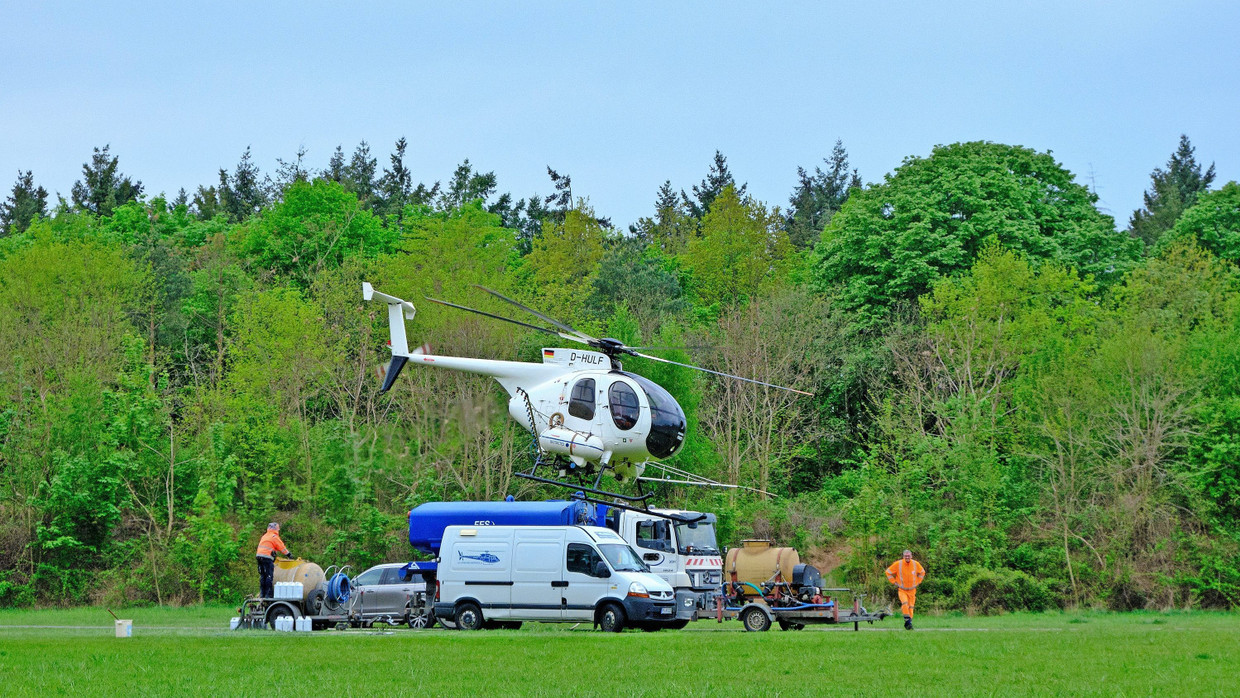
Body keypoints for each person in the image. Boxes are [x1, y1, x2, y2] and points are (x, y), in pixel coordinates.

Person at [886, 549, 925, 630]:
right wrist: (894, 582)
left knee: (911, 607)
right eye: (905, 556)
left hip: (912, 590)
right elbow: (888, 572)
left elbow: (922, 572)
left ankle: (908, 623)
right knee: (905, 603)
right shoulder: (898, 564)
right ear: (903, 556)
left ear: (911, 556)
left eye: (908, 556)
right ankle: (907, 621)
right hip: (902, 590)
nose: (907, 557)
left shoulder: (915, 564)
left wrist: (918, 582)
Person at [255, 522, 293, 598]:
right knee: (269, 576)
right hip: (267, 557)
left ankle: (262, 593)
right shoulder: (274, 537)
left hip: (259, 557)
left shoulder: (264, 536)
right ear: (276, 529)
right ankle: (268, 594)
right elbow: (281, 547)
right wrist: (289, 555)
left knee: (263, 575)